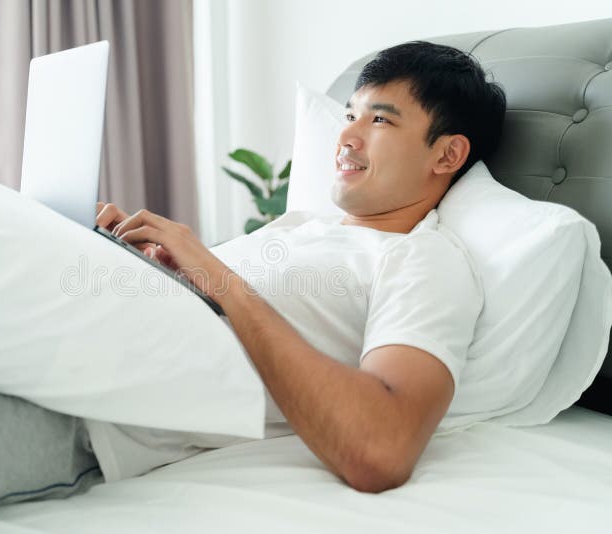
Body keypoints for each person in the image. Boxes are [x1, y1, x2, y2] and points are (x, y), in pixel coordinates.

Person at [93, 41, 506, 493]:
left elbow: (382, 448)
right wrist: (147, 266)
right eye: (350, 116)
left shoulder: (423, 258)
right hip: (85, 330)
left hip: (88, 401)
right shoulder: (301, 227)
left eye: (381, 119)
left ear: (447, 155)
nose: (347, 138)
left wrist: (219, 278)